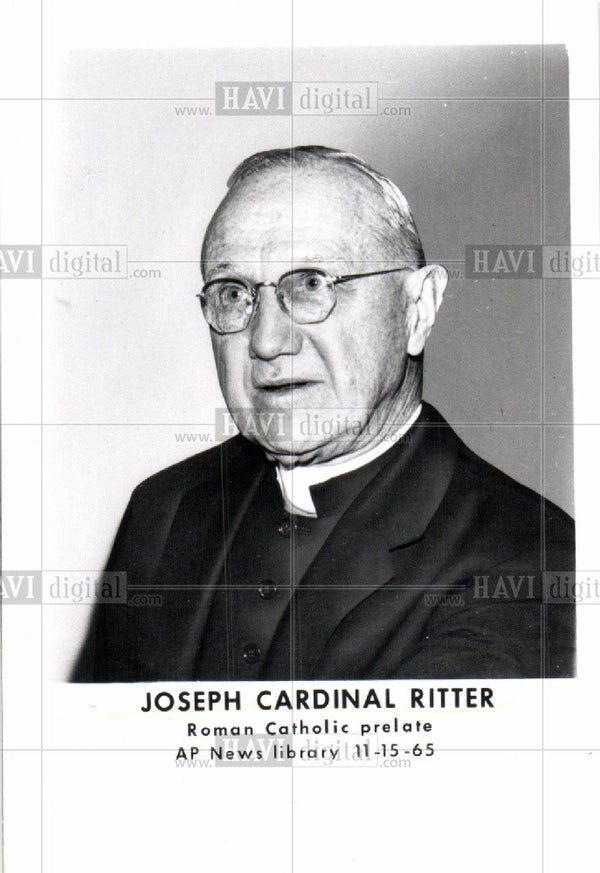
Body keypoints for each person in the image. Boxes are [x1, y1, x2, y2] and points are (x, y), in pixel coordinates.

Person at [71, 145, 575, 682]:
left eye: (312, 284)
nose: (266, 341)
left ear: (418, 309)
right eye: (233, 293)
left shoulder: (529, 559)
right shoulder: (164, 509)